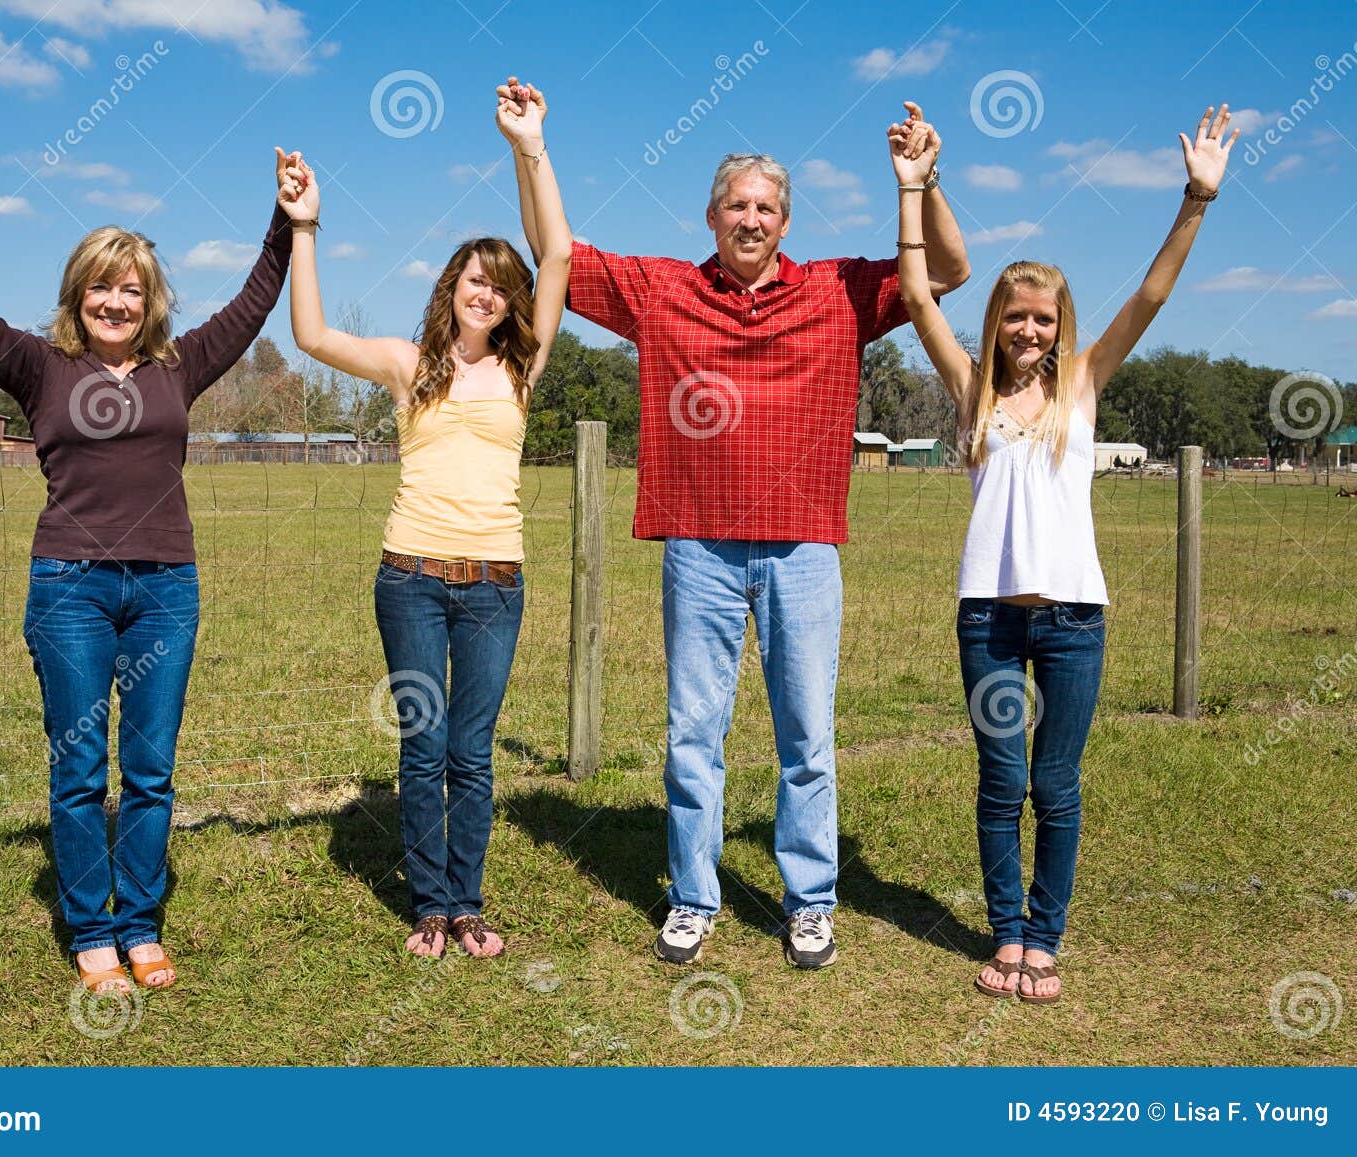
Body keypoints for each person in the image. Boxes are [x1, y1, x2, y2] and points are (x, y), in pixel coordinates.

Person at [526, 100, 970, 968]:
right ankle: (694, 898)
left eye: (767, 207)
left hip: (804, 548)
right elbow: (558, 255)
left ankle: (810, 903)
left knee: (808, 739)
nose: (752, 219)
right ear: (712, 215)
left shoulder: (838, 290)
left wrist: (923, 182)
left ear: (786, 222)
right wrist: (532, 148)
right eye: (738, 205)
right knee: (694, 735)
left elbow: (948, 269)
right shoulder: (664, 291)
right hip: (700, 546)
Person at [0, 108, 300, 993]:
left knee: (150, 769)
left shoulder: (180, 366)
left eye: (132, 290)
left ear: (151, 302)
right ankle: (91, 929)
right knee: (78, 767)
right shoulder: (40, 367)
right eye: (101, 288)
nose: (116, 303)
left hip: (166, 588)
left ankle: (140, 922)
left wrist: (285, 219)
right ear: (78, 296)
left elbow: (254, 300)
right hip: (70, 586)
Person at [891, 104, 1237, 1002]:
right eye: (1015, 317)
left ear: (1060, 324)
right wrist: (914, 188)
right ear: (997, 321)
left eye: (1043, 319)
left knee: (1056, 782)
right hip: (990, 621)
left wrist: (1195, 199)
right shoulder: (970, 389)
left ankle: (1045, 938)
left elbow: (1151, 296)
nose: (1029, 332)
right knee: (1001, 780)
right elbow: (919, 298)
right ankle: (1006, 932)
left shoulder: (1083, 383)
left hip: (1075, 618)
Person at [283, 79, 570, 958]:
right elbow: (312, 335)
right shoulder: (409, 365)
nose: (489, 295)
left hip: (495, 584)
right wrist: (305, 228)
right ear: (453, 286)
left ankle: (468, 901)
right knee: (423, 745)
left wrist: (529, 145)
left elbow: (559, 253)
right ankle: (430, 907)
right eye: (477, 280)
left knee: (472, 753)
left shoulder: (521, 370)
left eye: (502, 287)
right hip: (409, 577)